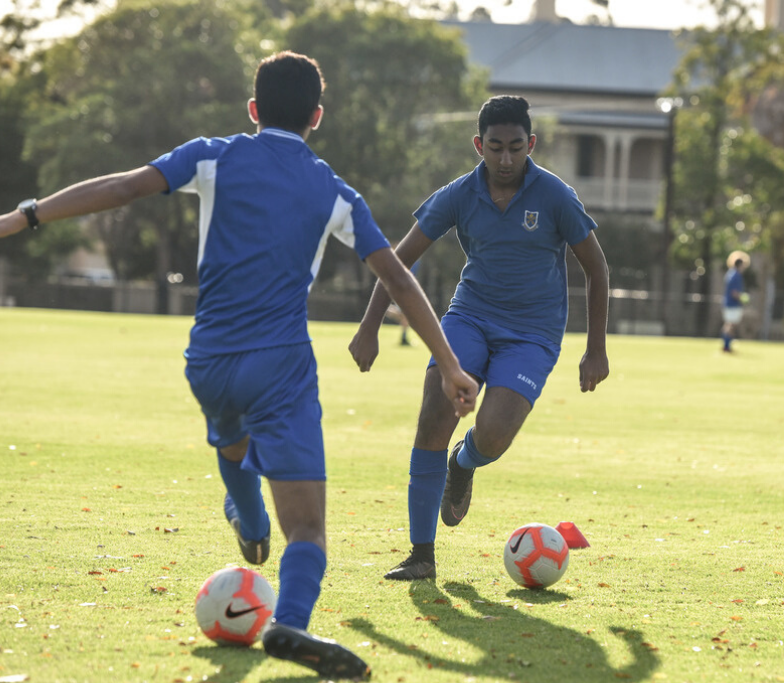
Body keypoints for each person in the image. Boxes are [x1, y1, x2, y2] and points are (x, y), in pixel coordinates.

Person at [0, 51, 478, 680]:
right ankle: (291, 624)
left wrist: (24, 215)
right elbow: (398, 277)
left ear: (252, 110)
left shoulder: (211, 156)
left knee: (229, 438)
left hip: (207, 362)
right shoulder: (335, 191)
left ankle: (249, 523)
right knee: (306, 532)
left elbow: (120, 186)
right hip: (278, 366)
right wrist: (448, 364)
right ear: (317, 117)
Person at [348, 95, 610, 581]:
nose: (506, 159)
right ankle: (421, 554)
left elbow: (596, 267)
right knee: (433, 417)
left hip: (532, 334)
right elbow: (397, 260)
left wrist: (595, 349)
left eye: (516, 148)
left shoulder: (555, 196)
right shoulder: (459, 194)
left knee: (493, 433)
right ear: (478, 146)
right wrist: (369, 327)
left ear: (530, 144)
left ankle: (464, 462)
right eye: (495, 148)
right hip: (470, 317)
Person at [721, 250, 750, 353]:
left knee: (729, 324)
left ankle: (726, 345)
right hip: (732, 304)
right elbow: (734, 293)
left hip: (728, 303)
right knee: (731, 325)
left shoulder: (730, 273)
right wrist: (743, 298)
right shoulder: (736, 275)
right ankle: (726, 346)